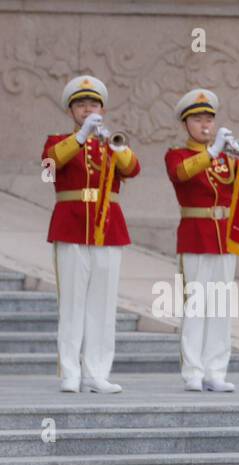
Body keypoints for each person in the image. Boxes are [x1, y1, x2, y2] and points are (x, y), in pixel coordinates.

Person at [42, 75, 142, 393]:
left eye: (93, 104)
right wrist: (80, 138)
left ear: (102, 108)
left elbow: (133, 168)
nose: (87, 110)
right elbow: (47, 170)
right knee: (72, 303)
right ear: (71, 111)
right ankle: (70, 371)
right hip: (71, 224)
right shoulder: (56, 141)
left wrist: (110, 140)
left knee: (102, 304)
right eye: (81, 105)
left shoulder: (110, 143)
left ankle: (97, 372)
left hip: (108, 227)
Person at [164, 88, 238, 392]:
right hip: (195, 233)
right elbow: (181, 174)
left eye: (209, 118)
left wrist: (237, 156)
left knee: (220, 306)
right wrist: (212, 151)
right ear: (186, 124)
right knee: (195, 305)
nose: (205, 125)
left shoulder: (225, 159)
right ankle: (193, 370)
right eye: (198, 119)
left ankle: (215, 369)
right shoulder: (177, 154)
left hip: (224, 236)